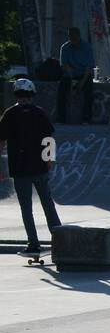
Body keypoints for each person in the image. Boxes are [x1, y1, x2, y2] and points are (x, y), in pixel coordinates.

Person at [0, 78, 62, 258]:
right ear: (32, 94)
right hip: (39, 166)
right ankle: (60, 241)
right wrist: (49, 160)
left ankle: (33, 244)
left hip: (19, 169)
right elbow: (49, 138)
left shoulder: (9, 114)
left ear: (16, 94)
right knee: (48, 204)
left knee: (26, 208)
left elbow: (1, 141)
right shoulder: (38, 112)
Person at [56, 26, 95, 124]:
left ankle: (86, 117)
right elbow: (64, 65)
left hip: (84, 74)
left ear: (79, 37)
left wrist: (82, 82)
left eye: (75, 39)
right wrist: (72, 79)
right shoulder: (64, 48)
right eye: (71, 38)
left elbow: (88, 67)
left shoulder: (87, 47)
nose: (74, 41)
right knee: (61, 90)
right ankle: (61, 118)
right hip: (70, 74)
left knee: (88, 91)